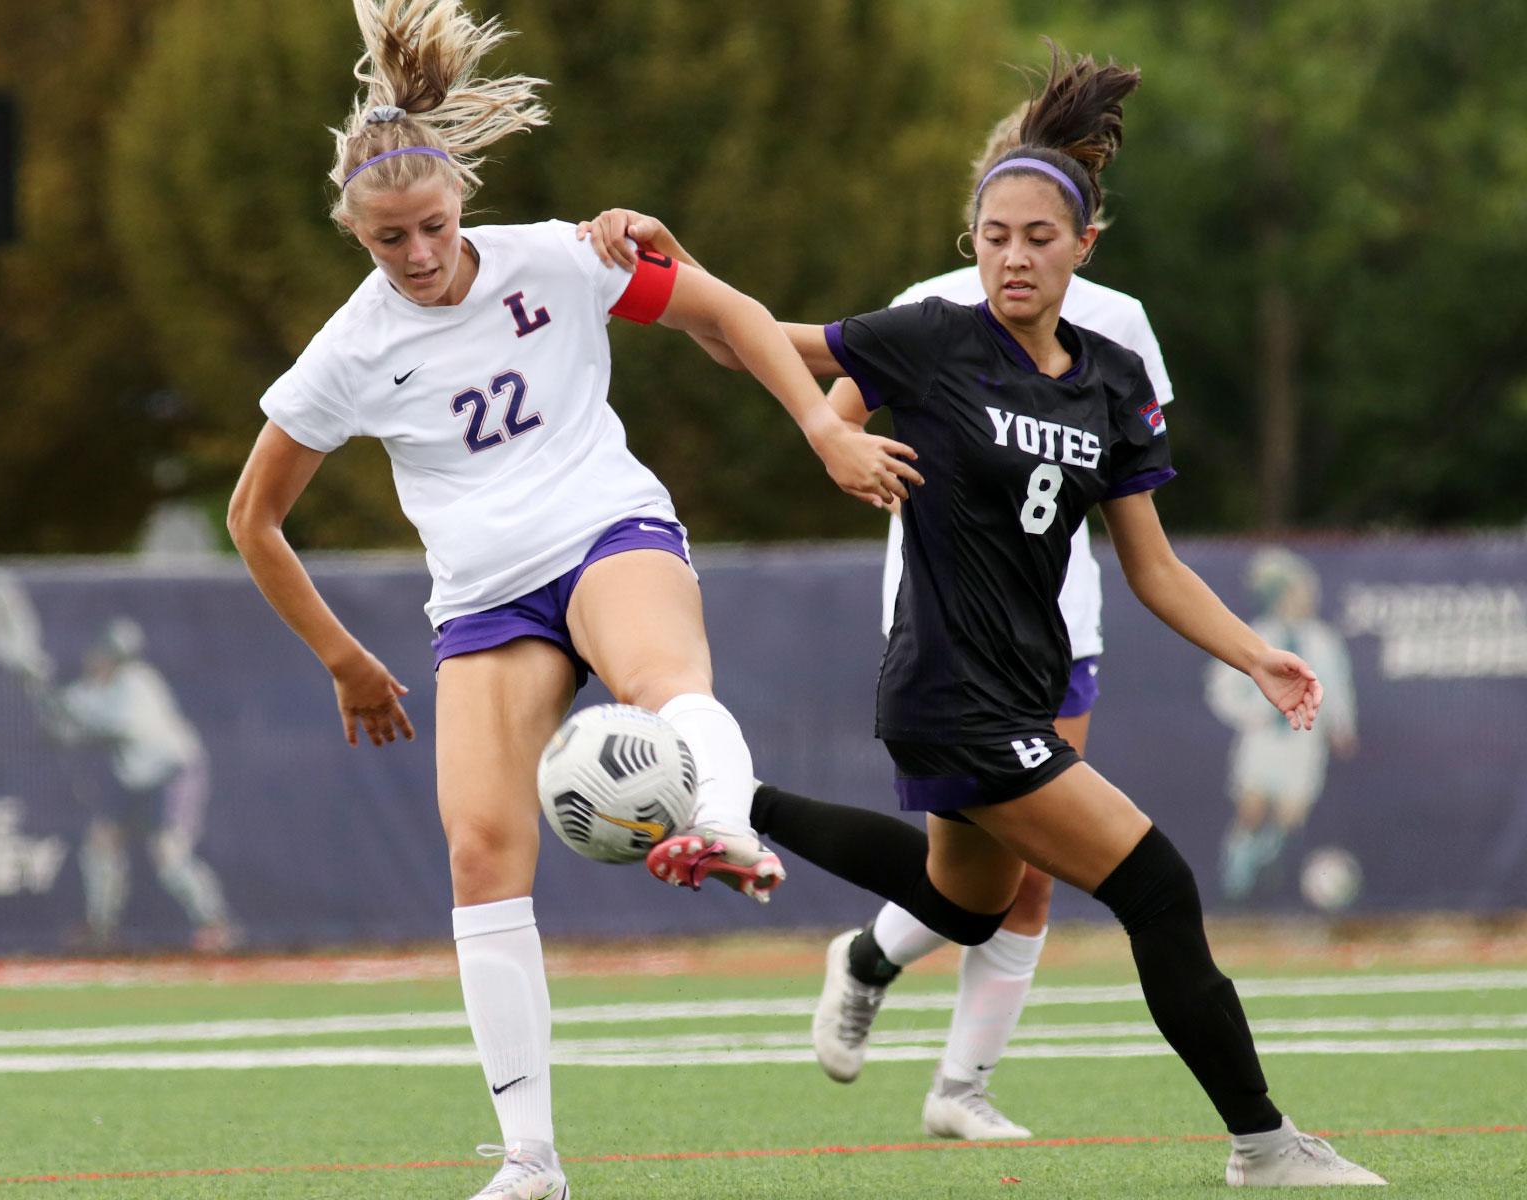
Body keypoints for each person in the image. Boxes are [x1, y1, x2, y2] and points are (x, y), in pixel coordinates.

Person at [577, 51, 1385, 1187]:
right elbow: (754, 335)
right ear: (974, 239)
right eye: (994, 233)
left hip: (1026, 682)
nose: (1013, 254)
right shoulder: (935, 335)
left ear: (1084, 246)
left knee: (965, 901)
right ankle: (1264, 1145)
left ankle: (716, 799)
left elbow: (1151, 568)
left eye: (1039, 237)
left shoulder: (1111, 376)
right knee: (1157, 887)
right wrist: (668, 272)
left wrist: (1259, 655)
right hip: (948, 690)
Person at [223, 4, 915, 1197]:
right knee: (482, 852)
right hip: (485, 598)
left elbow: (727, 316)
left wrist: (818, 428)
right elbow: (255, 520)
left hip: (605, 527)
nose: (421, 253)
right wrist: (343, 657)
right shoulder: (346, 351)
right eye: (390, 239)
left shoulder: (558, 254)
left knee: (665, 682)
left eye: (434, 225)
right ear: (357, 233)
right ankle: (531, 1161)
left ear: (460, 204)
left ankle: (729, 827)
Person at [814, 53, 1167, 1142]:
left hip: (1062, 624)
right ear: (985, 206)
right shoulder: (933, 307)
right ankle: (871, 959)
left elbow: (1126, 499)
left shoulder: (1120, 326)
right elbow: (836, 396)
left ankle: (956, 1083)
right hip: (943, 621)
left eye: (1048, 215)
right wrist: (842, 441)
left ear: (1081, 219)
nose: (1021, 239)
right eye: (1002, 219)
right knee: (976, 867)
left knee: (1032, 877)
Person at [33, 618, 236, 952]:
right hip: (134, 778)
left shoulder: (138, 683)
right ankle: (101, 928)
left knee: (168, 854)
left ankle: (215, 923)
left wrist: (67, 723)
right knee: (100, 842)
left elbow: (116, 729)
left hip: (173, 772)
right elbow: (61, 718)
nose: (102, 661)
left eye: (110, 656)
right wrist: (42, 692)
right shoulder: (90, 689)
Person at [1207, 548, 1359, 900]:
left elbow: (1337, 689)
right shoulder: (1255, 635)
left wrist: (1342, 727)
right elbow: (1222, 689)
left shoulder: (1323, 640)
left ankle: (1267, 880)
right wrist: (1255, 714)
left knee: (1290, 818)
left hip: (1302, 744)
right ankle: (1235, 884)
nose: (1308, 598)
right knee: (1252, 808)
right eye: (1301, 591)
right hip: (1262, 741)